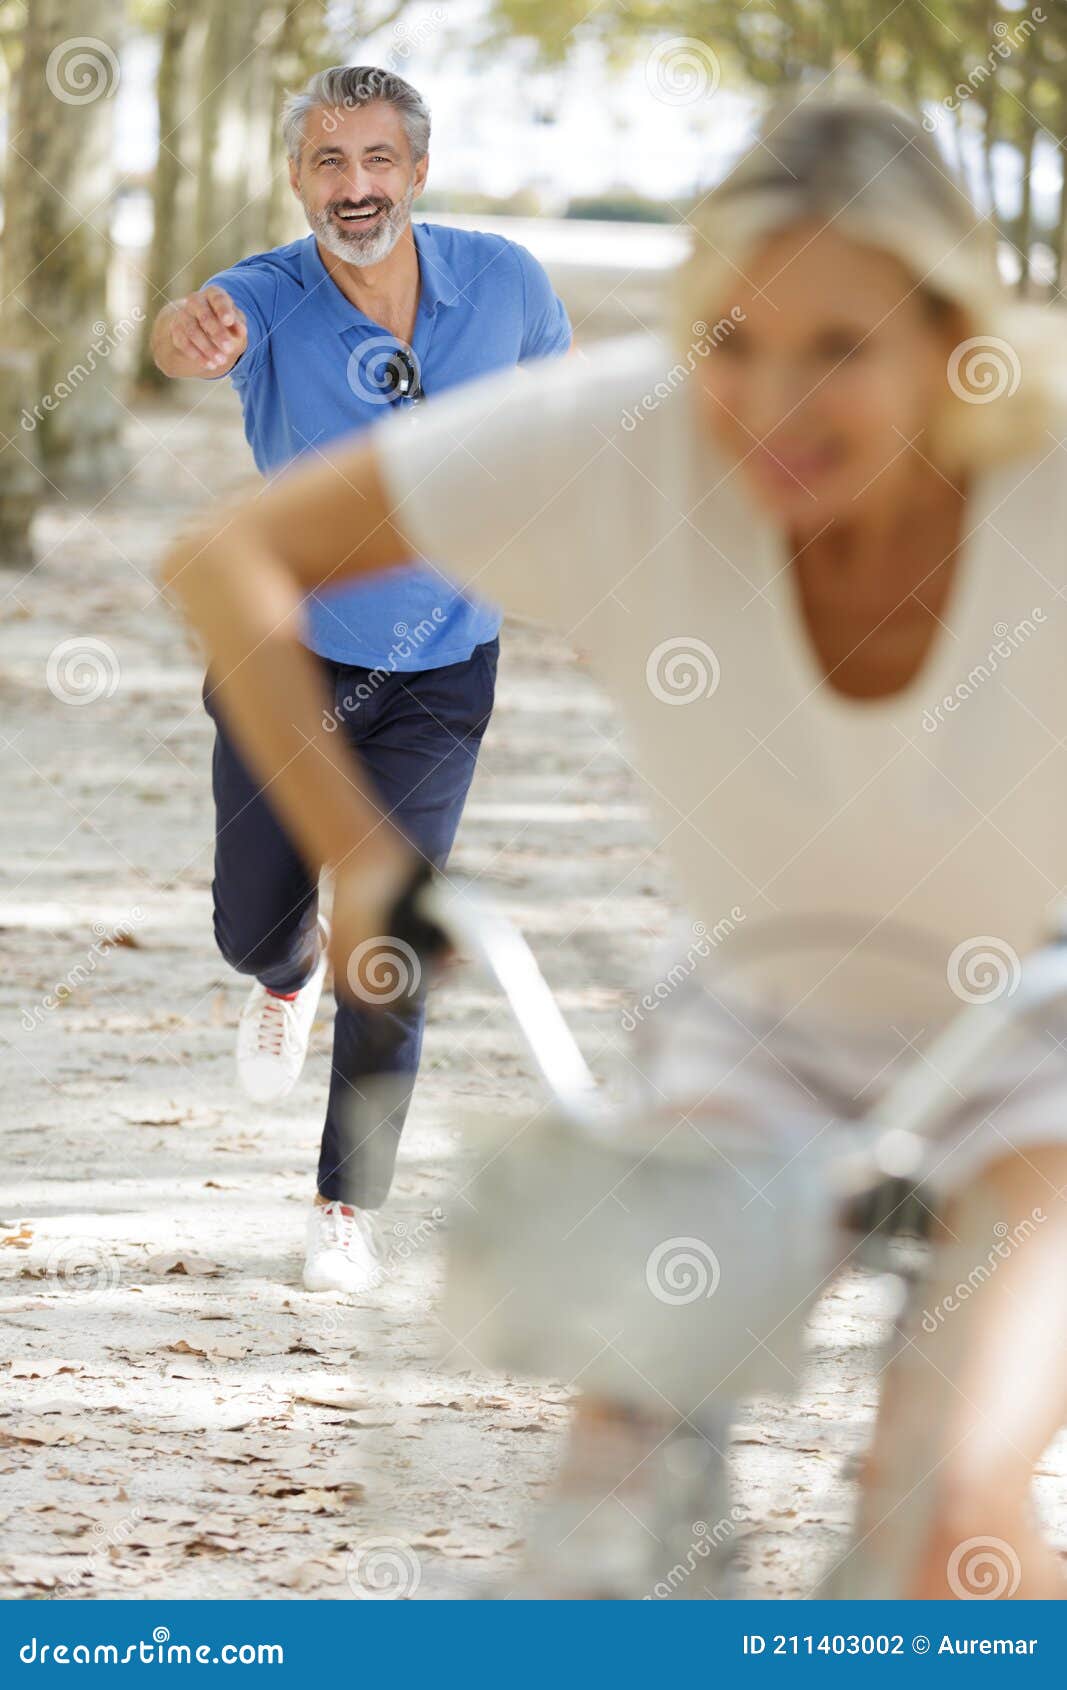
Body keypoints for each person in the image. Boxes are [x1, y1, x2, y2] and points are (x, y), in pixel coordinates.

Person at [162, 88, 1067, 1598]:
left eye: (839, 349)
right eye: (736, 342)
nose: (773, 403)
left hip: (1025, 1036)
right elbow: (229, 554)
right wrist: (362, 851)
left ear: (946, 334)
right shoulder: (630, 435)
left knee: (948, 1505)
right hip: (744, 1034)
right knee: (606, 1508)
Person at [150, 65, 571, 1294]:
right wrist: (184, 333)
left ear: (417, 171)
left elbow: (556, 410)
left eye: (377, 159)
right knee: (252, 914)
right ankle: (279, 972)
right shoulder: (265, 297)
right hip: (282, 656)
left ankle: (345, 1205)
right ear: (297, 179)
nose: (355, 186)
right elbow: (191, 335)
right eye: (329, 162)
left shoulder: (504, 283)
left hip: (441, 664)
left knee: (385, 929)